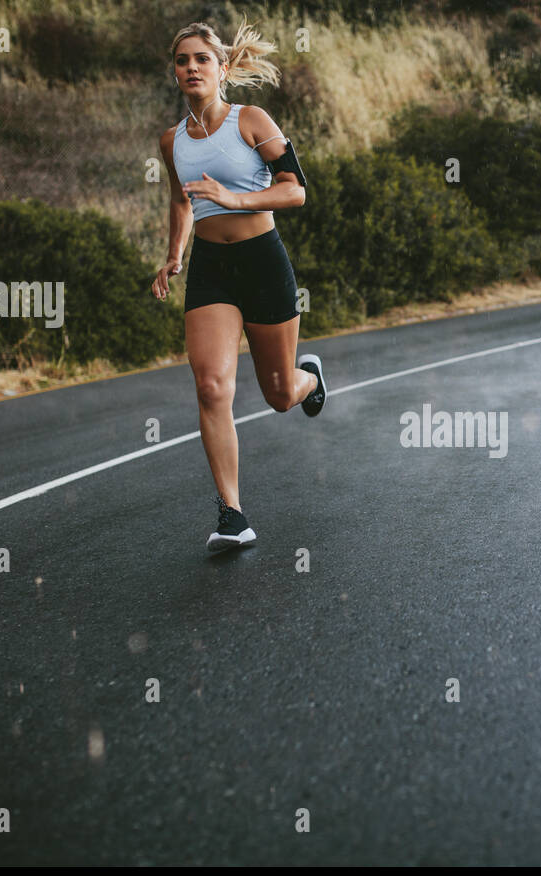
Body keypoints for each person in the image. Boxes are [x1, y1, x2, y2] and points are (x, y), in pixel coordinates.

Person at [151, 17, 325, 553]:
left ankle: (310, 380)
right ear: (175, 72)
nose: (191, 68)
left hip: (262, 262)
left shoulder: (251, 120)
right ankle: (231, 514)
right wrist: (174, 254)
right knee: (210, 387)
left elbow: (295, 191)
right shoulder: (172, 140)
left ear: (221, 68)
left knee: (277, 394)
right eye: (182, 61)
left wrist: (236, 198)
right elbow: (182, 200)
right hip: (211, 270)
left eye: (201, 59)